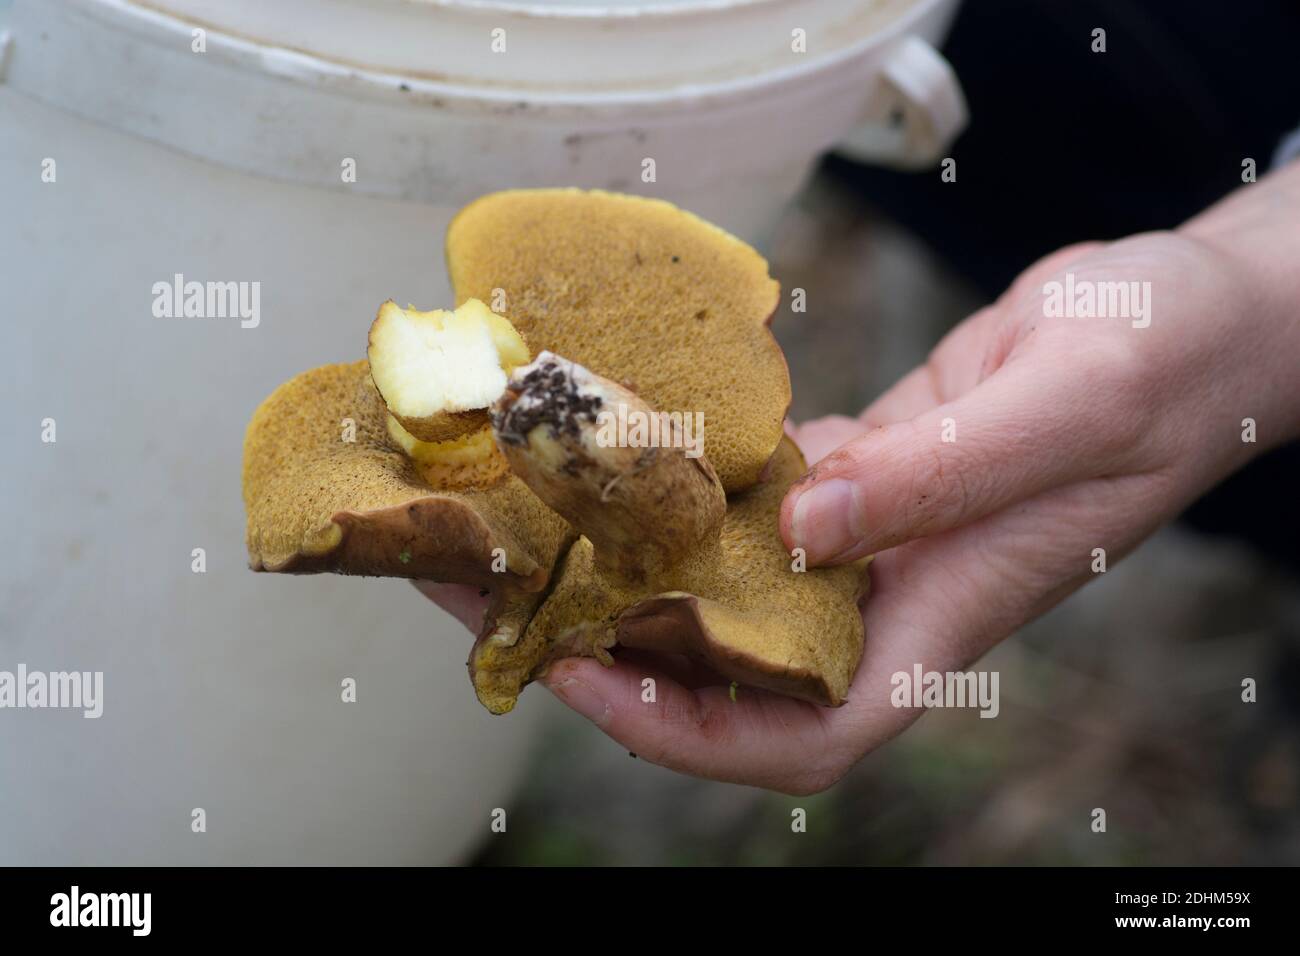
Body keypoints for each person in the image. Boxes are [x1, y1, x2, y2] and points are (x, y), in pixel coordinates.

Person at [420, 157, 1299, 794]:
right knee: (978, 346)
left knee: (1182, 538)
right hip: (984, 155)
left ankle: (1216, 710)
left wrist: (1262, 289)